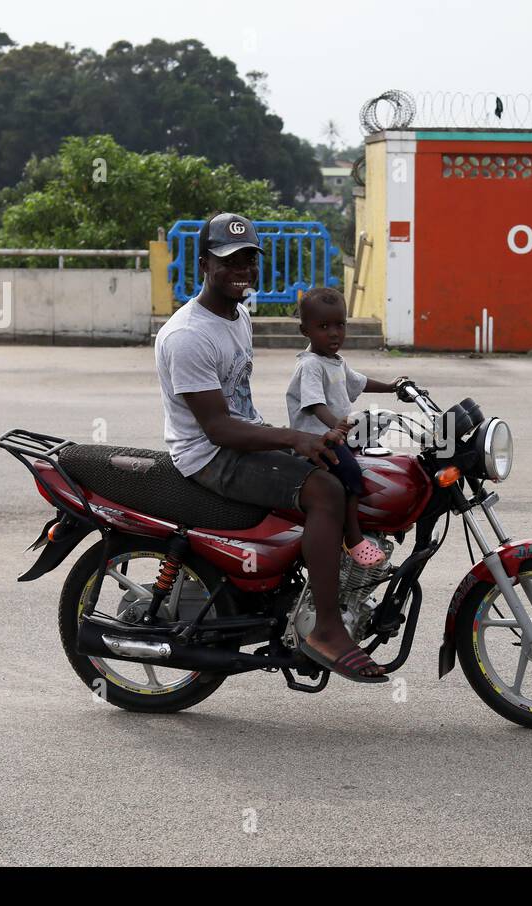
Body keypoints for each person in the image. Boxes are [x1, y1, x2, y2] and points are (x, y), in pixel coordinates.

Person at [154, 213, 386, 683]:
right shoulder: (188, 336)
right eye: (228, 261)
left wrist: (305, 438)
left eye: (248, 260)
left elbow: (241, 408)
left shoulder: (237, 316)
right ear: (204, 265)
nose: (241, 270)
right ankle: (326, 629)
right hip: (208, 455)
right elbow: (219, 429)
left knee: (345, 467)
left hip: (242, 437)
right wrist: (295, 437)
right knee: (325, 491)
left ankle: (307, 588)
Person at [286, 287, 403, 568]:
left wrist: (392, 387)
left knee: (378, 460)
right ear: (305, 331)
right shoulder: (310, 365)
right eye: (324, 327)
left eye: (340, 325)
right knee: (351, 474)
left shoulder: (336, 362)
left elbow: (359, 382)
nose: (334, 333)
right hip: (317, 444)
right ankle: (352, 537)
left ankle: (383, 518)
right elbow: (315, 403)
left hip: (338, 437)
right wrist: (335, 426)